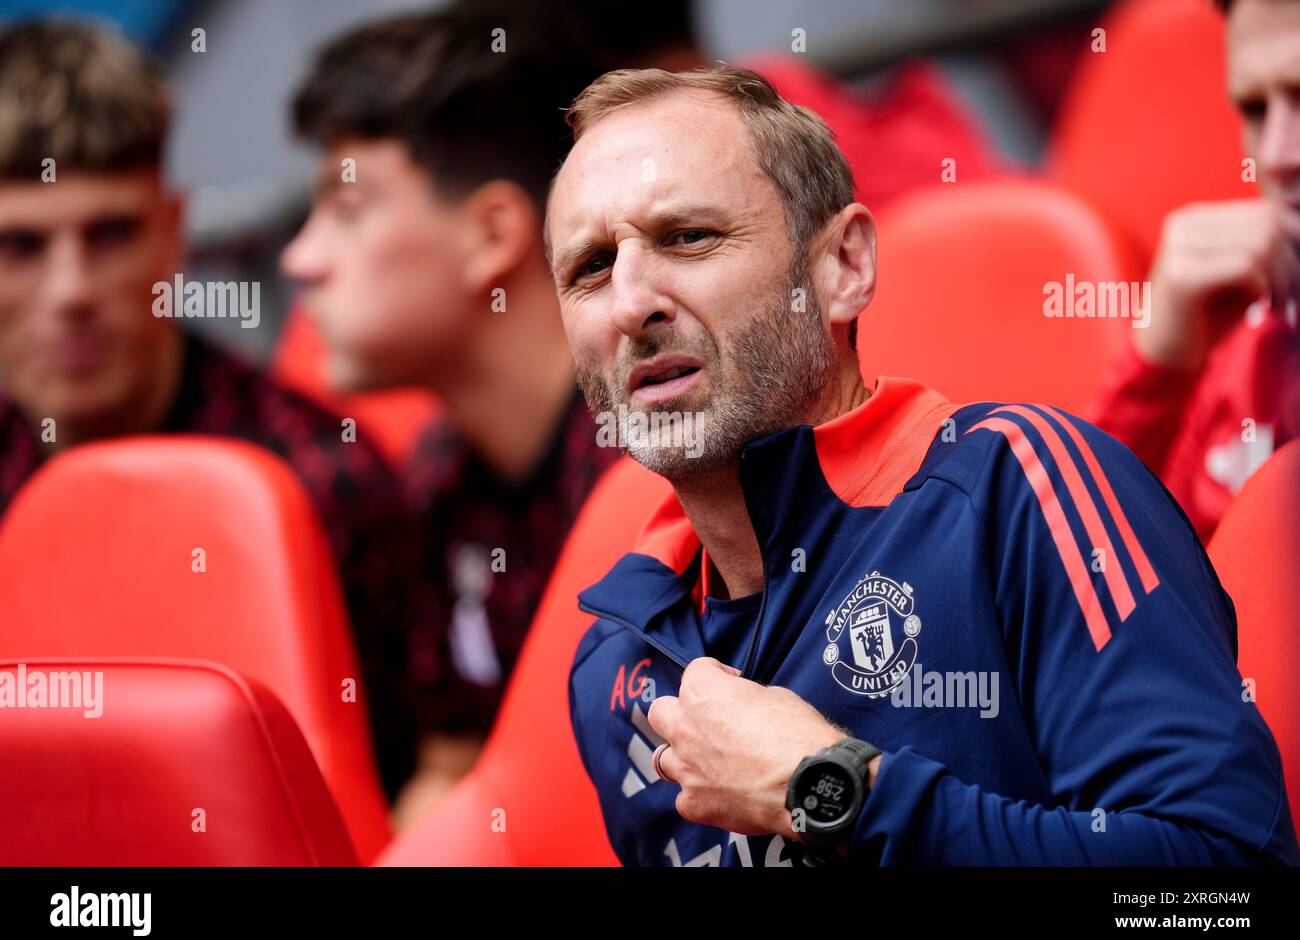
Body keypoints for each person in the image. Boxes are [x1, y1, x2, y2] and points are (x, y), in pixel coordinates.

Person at [549, 65, 1299, 865]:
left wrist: (829, 789)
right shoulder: (617, 661)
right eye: (590, 267)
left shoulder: (1020, 493)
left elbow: (1220, 886)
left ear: (843, 266)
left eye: (687, 238)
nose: (631, 304)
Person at [0, 19, 418, 799]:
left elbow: (411, 791)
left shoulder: (320, 483)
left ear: (173, 235)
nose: (71, 293)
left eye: (110, 234)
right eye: (21, 246)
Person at [280, 4, 623, 826]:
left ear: (491, 234)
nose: (300, 257)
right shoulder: (441, 475)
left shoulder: (662, 460)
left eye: (347, 210)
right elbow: (452, 769)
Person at [1088, 0, 1300, 542]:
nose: (1277, 154)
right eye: (1254, 109)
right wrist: (1156, 369)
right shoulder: (1248, 346)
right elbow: (1079, 570)